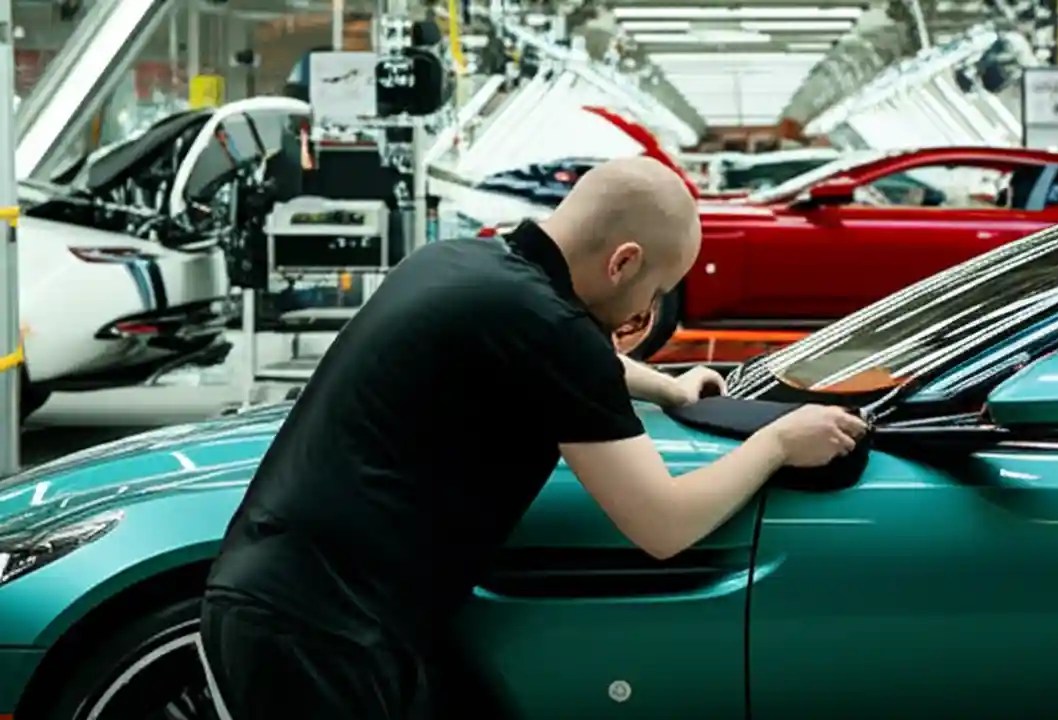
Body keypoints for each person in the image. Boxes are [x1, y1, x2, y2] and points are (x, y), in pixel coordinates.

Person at [199, 156, 868, 719]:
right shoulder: (548, 330)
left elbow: (550, 352)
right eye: (657, 289)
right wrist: (776, 444)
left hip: (282, 604)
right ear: (623, 261)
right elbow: (662, 523)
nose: (648, 312)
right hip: (320, 636)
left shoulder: (464, 263)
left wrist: (664, 387)